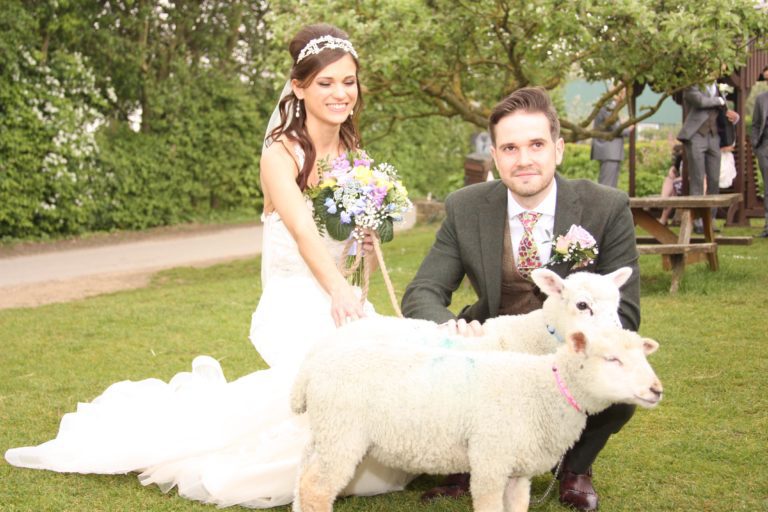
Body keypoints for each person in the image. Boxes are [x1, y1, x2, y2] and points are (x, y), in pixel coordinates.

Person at [4, 24, 413, 508]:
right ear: (299, 87)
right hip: (298, 299)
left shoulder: (352, 155)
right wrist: (338, 293)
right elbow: (304, 234)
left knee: (387, 382)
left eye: (348, 81)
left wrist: (362, 242)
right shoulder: (280, 154)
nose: (340, 93)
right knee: (329, 390)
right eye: (325, 83)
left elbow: (347, 232)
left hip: (341, 296)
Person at [401, 87, 641, 512]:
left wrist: (577, 350)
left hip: (567, 351)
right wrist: (451, 329)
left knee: (619, 381)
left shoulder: (606, 207)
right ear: (495, 156)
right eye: (510, 148)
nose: (524, 159)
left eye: (536, 145)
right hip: (494, 353)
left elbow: (625, 312)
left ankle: (575, 467)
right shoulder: (466, 206)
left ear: (559, 149)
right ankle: (470, 456)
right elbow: (423, 292)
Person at [677, 80, 740, 233]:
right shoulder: (690, 85)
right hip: (696, 135)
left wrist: (735, 117)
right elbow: (700, 102)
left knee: (714, 180)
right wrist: (718, 100)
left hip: (714, 137)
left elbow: (723, 110)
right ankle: (697, 221)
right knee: (697, 179)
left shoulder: (719, 88)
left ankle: (710, 220)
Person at [590, 88, 632, 188]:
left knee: (610, 185)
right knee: (607, 185)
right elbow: (615, 128)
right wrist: (628, 129)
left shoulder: (609, 105)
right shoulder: (609, 106)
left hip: (611, 151)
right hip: (609, 151)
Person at [750, 66, 768, 238]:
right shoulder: (761, 99)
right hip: (764, 147)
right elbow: (755, 124)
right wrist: (756, 145)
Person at [659, 144, 685, 226]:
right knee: (669, 180)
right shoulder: (680, 158)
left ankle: (663, 218)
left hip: (691, 185)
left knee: (674, 191)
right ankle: (663, 200)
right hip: (678, 185)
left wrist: (680, 179)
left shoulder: (696, 158)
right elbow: (673, 170)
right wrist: (672, 175)